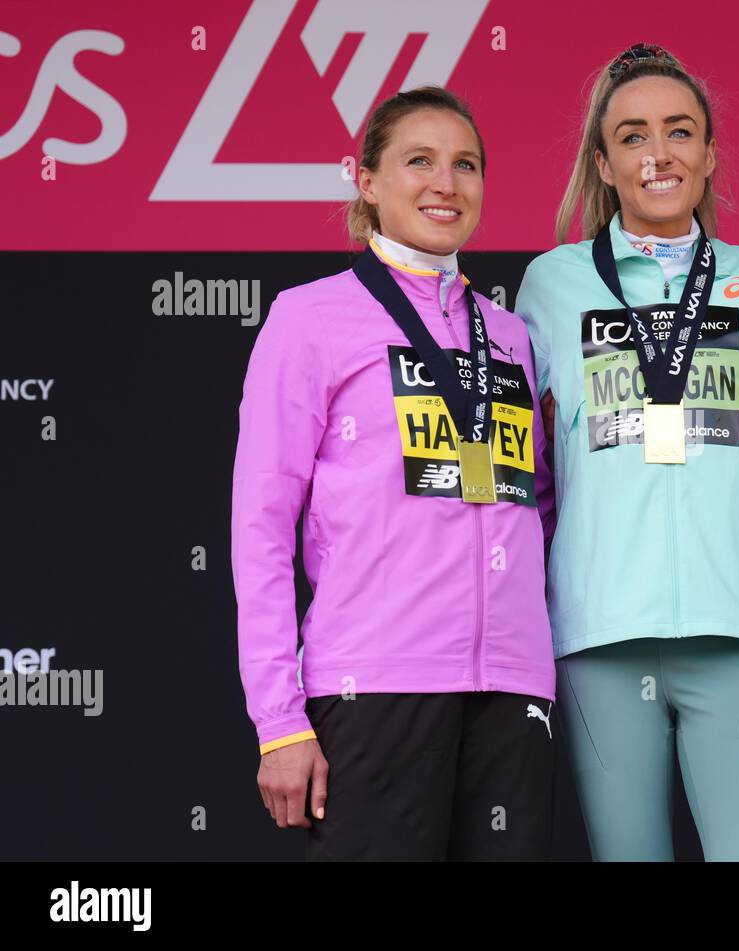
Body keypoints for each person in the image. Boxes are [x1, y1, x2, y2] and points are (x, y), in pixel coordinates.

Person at [231, 86, 556, 860]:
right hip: (373, 682)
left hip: (512, 692)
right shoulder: (310, 318)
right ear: (368, 180)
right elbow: (261, 528)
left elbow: (534, 507)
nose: (446, 183)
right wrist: (279, 719)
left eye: (465, 165)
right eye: (420, 161)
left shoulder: (510, 336)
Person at [514, 43, 739, 861]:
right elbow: (529, 466)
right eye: (633, 136)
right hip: (603, 629)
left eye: (679, 132)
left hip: (732, 623)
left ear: (708, 154)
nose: (658, 154)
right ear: (603, 162)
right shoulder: (551, 284)